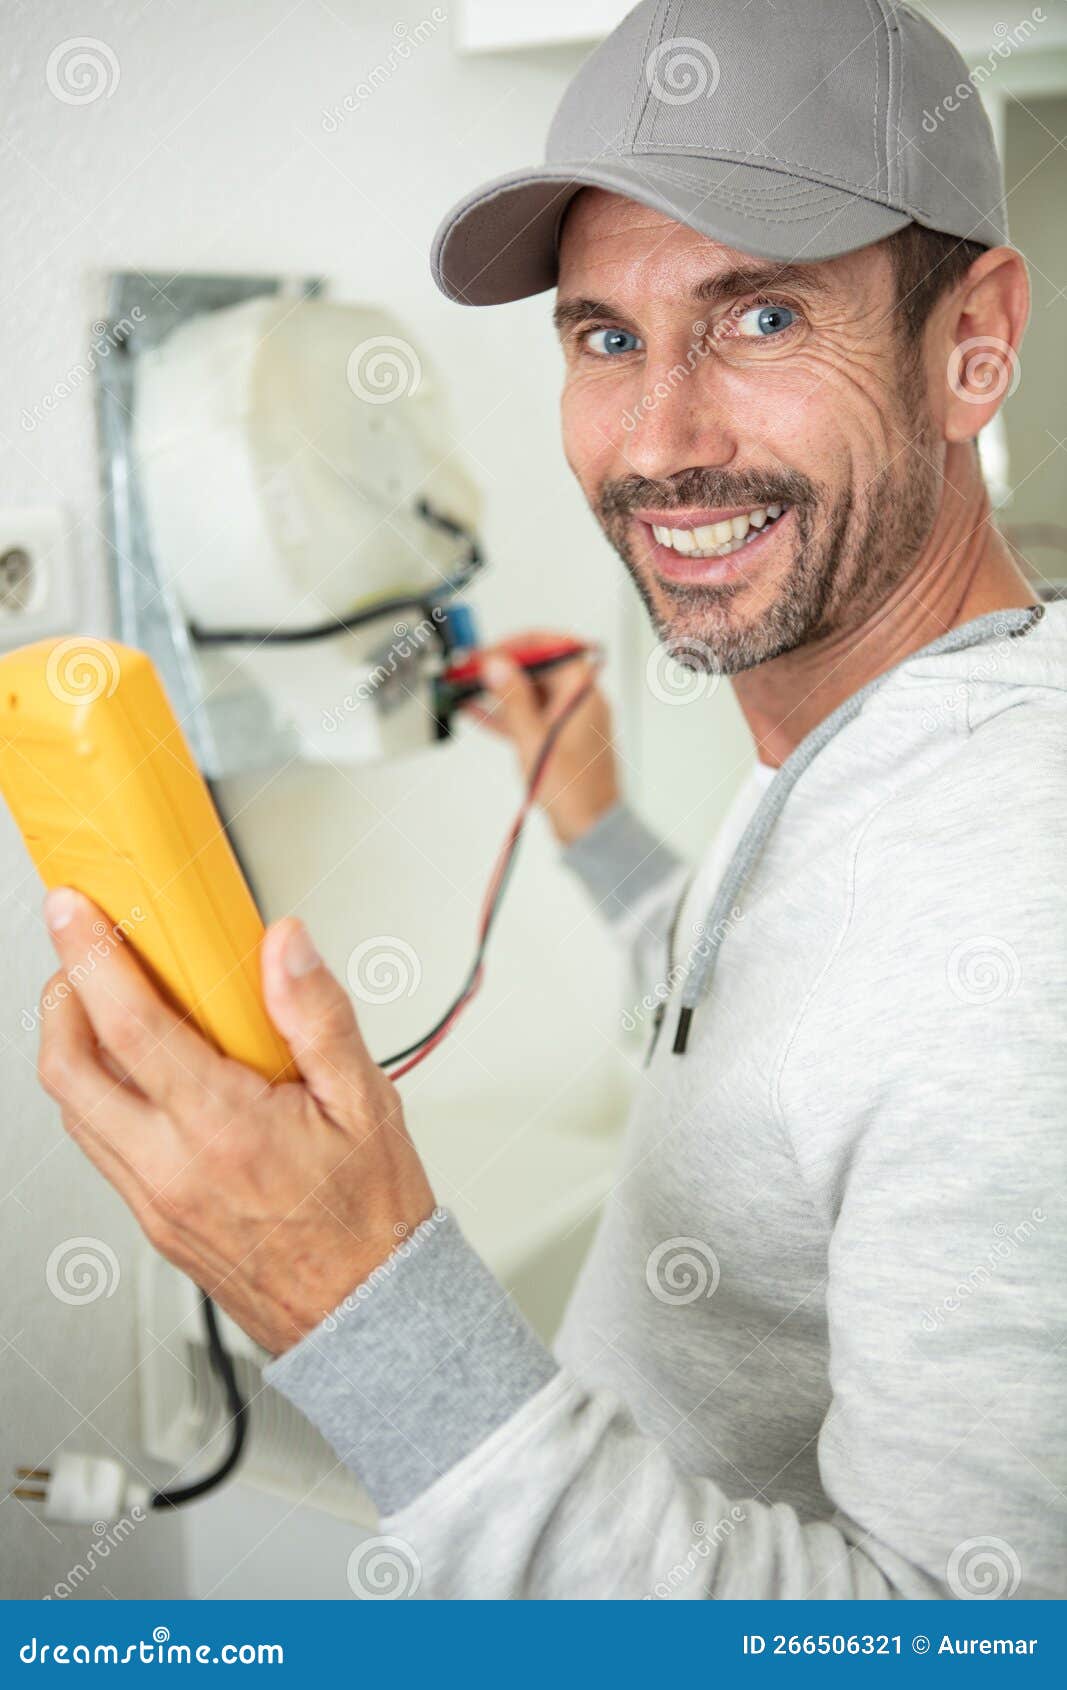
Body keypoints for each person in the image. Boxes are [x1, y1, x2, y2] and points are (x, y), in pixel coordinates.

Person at [36, 0, 1065, 1598]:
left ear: (973, 338)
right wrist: (594, 830)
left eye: (766, 319)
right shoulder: (889, 737)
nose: (660, 442)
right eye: (605, 336)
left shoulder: (1021, 913)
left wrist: (353, 1298)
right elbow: (800, 1056)